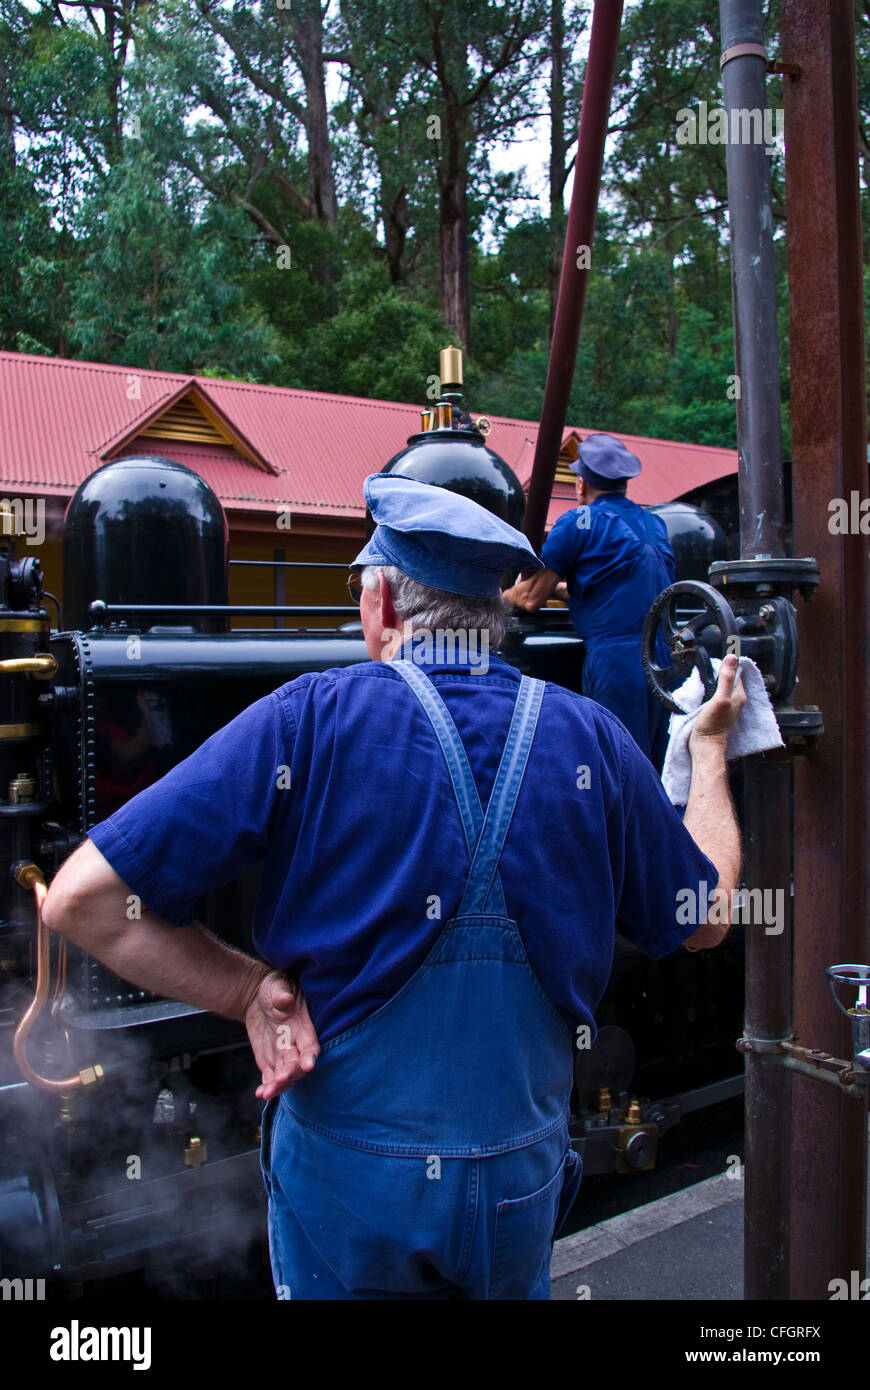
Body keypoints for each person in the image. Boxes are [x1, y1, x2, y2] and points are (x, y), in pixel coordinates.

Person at [41, 473, 744, 1301]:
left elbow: (78, 899)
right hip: (518, 1174)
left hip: (350, 1184)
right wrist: (708, 761)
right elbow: (708, 922)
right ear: (500, 612)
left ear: (381, 605)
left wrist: (248, 991)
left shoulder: (306, 716)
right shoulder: (590, 731)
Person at [502, 433, 675, 769]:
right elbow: (610, 584)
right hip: (666, 659)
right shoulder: (655, 523)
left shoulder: (579, 522)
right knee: (660, 767)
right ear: (625, 483)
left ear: (581, 485)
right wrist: (562, 589)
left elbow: (532, 599)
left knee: (617, 765)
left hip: (617, 662)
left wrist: (502, 596)